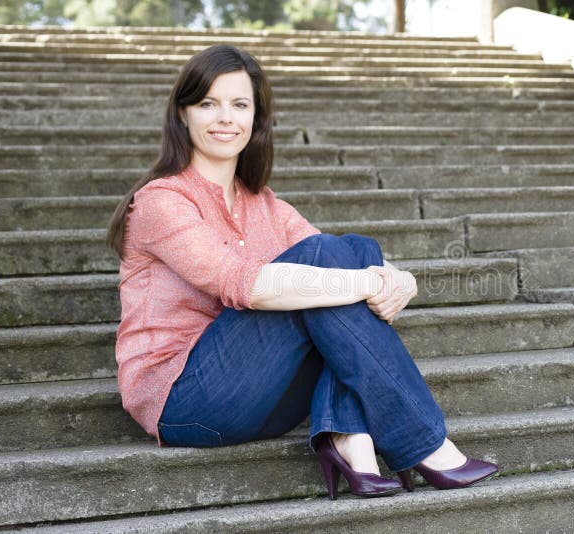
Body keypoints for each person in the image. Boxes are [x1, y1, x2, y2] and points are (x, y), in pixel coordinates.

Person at [106, 44, 498, 500]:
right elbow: (246, 285)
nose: (224, 118)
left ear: (257, 119)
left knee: (354, 247)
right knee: (326, 260)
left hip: (262, 398)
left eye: (239, 104)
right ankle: (423, 443)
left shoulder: (263, 204)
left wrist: (399, 279)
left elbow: (343, 257)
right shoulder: (161, 202)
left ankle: (351, 436)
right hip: (186, 401)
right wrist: (368, 283)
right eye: (207, 103)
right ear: (183, 115)